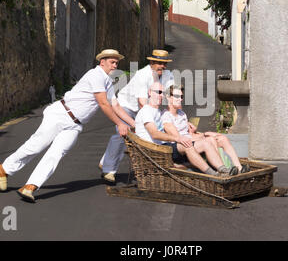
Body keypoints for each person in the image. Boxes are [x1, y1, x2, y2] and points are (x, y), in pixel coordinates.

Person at [0, 49, 132, 202]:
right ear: (102, 62)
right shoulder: (96, 75)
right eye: (112, 62)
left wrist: (134, 124)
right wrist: (120, 124)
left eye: (116, 63)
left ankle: (30, 187)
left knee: (56, 154)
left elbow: (116, 105)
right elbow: (103, 103)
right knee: (36, 146)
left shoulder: (108, 82)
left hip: (75, 125)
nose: (115, 66)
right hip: (60, 114)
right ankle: (5, 169)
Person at [99, 49, 175, 184]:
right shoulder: (142, 74)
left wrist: (172, 116)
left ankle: (105, 161)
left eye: (165, 63)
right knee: (123, 133)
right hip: (126, 106)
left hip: (146, 107)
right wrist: (144, 122)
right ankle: (108, 170)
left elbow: (171, 95)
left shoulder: (167, 74)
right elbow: (142, 102)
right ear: (151, 62)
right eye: (159, 63)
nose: (162, 66)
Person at [135, 82, 230, 176]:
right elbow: (154, 133)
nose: (161, 95)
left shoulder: (158, 112)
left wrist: (188, 124)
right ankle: (213, 175)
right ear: (150, 92)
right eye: (158, 92)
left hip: (165, 147)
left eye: (163, 93)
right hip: (154, 151)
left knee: (206, 142)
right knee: (186, 144)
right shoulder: (147, 111)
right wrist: (178, 138)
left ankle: (224, 170)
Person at [162, 85, 250, 175]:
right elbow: (180, 139)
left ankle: (239, 168)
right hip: (181, 148)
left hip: (191, 141)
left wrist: (204, 134)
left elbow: (189, 134)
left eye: (181, 96)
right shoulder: (166, 117)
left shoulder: (182, 114)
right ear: (168, 97)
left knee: (222, 138)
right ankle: (224, 169)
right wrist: (204, 137)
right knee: (209, 140)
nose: (180, 99)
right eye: (177, 96)